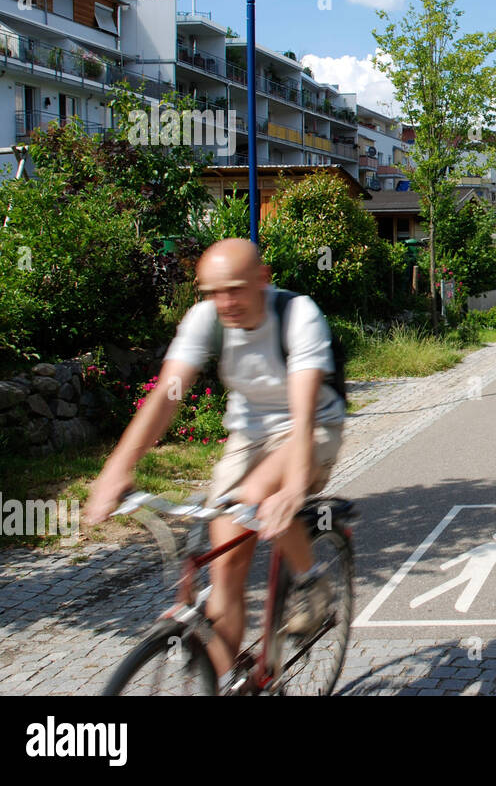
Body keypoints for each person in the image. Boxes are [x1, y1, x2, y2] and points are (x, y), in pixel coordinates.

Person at [86, 238, 346, 682]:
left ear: (262, 280)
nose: (224, 303)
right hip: (249, 435)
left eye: (235, 290)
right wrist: (117, 468)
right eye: (212, 292)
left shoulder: (298, 314)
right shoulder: (206, 319)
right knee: (225, 565)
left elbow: (303, 412)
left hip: (313, 425)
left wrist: (292, 486)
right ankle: (227, 685)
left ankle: (311, 579)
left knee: (256, 495)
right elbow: (167, 395)